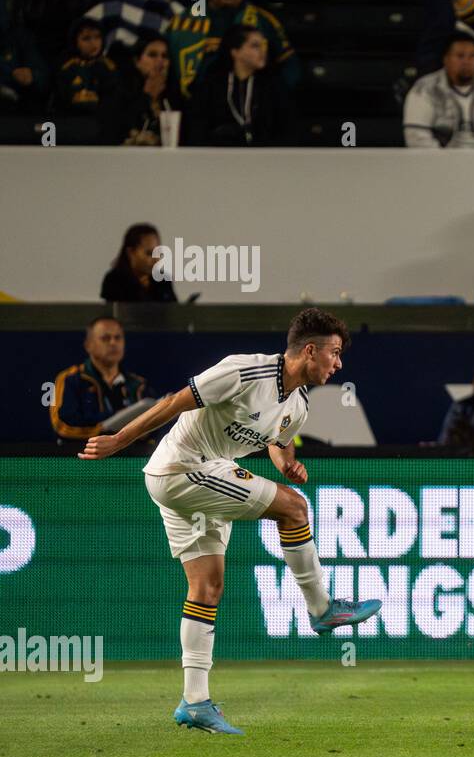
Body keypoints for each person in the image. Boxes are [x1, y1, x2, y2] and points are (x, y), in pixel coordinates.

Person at [78, 309, 381, 735]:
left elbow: (278, 440)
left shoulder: (298, 404)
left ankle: (194, 701)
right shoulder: (244, 370)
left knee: (207, 586)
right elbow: (170, 403)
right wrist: (119, 440)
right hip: (182, 469)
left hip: (197, 480)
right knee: (294, 509)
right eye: (334, 352)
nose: (339, 363)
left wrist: (286, 462)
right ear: (309, 350)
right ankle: (322, 608)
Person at [164, 0, 299, 99]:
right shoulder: (180, 22)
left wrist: (273, 99)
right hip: (192, 108)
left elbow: (290, 66)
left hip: (250, 108)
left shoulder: (264, 21)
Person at [185, 25, 296, 146]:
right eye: (255, 46)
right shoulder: (212, 85)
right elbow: (197, 129)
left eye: (263, 45)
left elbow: (287, 129)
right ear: (235, 52)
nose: (263, 51)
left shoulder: (273, 86)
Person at [404, 31, 474, 147]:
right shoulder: (424, 89)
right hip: (438, 161)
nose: (466, 62)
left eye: (472, 56)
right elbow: (415, 136)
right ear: (446, 59)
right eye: (460, 56)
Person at [49, 316, 152, 440]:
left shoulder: (138, 384)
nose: (113, 343)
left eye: (118, 338)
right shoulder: (69, 379)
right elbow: (62, 425)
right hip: (83, 456)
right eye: (105, 338)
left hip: (134, 457)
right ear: (88, 345)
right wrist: (105, 428)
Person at [97, 30, 177, 145]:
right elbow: (112, 132)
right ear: (137, 61)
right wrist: (147, 96)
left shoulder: (175, 95)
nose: (160, 61)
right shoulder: (118, 90)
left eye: (165, 56)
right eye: (152, 55)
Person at [54, 16, 116, 113]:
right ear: (75, 42)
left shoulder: (109, 67)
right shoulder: (67, 68)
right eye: (86, 38)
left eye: (97, 37)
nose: (93, 43)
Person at [100, 222, 177, 301]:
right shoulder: (114, 280)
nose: (156, 259)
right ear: (131, 252)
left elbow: (174, 309)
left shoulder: (162, 280)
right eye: (149, 253)